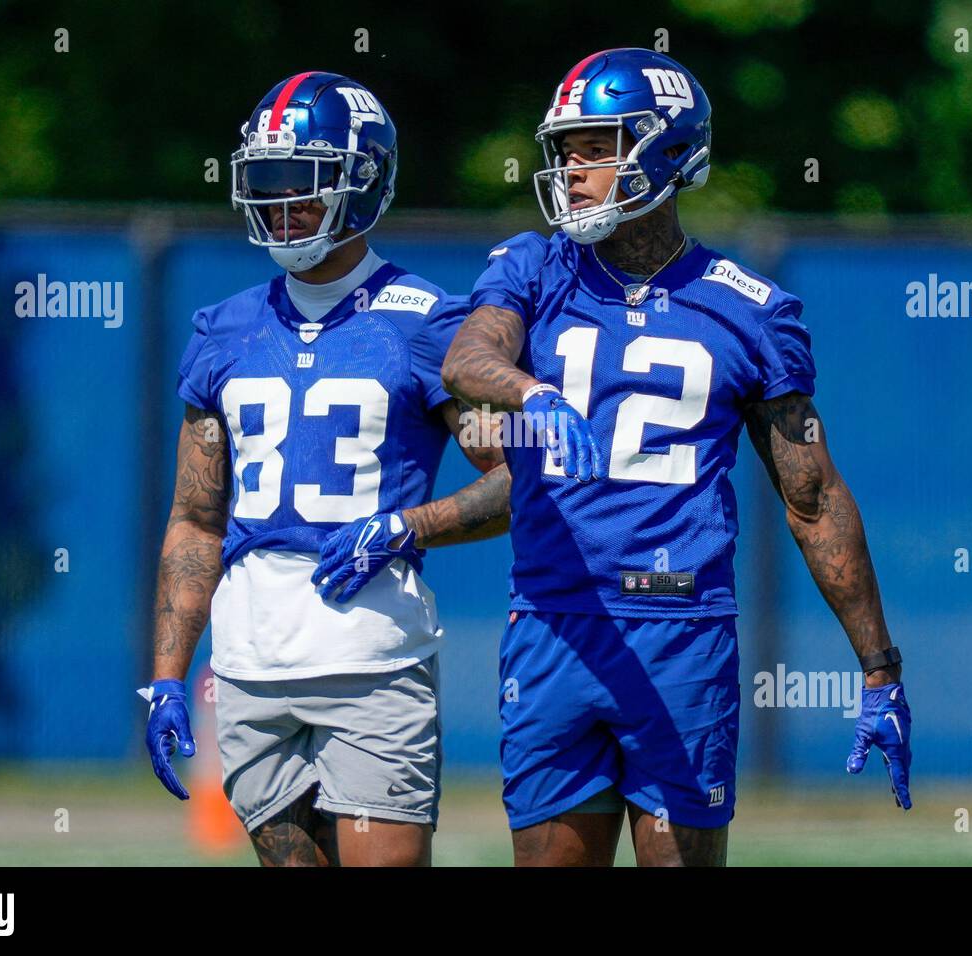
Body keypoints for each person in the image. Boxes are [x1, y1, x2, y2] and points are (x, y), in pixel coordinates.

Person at [440, 48, 912, 866]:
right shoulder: (532, 266)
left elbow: (813, 499)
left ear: (664, 150)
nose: (573, 171)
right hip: (556, 623)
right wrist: (535, 396)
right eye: (566, 151)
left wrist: (879, 667)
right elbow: (466, 358)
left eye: (598, 147)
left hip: (681, 632)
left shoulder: (750, 309)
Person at [139, 71, 509, 866]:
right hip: (249, 664)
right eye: (263, 181)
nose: (278, 203)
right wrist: (169, 674)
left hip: (372, 659)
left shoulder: (429, 325)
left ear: (362, 180)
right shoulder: (223, 330)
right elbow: (196, 519)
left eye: (299, 181)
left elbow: (515, 480)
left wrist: (408, 526)